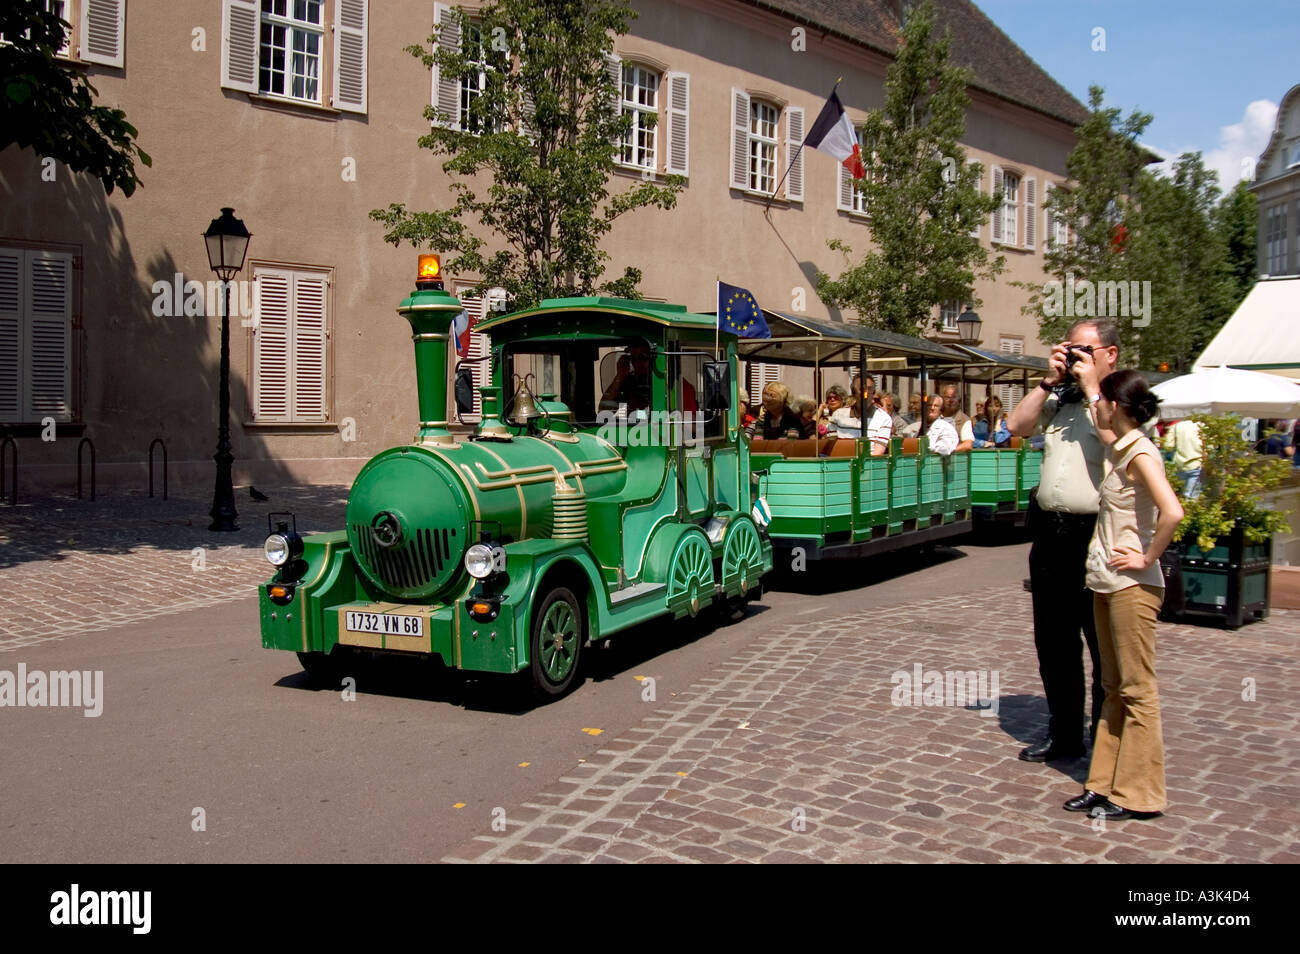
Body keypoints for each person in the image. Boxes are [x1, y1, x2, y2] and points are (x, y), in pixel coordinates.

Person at [1063, 370, 1183, 821]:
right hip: (1106, 582)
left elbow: (1173, 510)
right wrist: (1092, 384)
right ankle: (1104, 783)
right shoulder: (1121, 444)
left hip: (1134, 586)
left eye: (1105, 401)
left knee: (1137, 691)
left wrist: (1147, 554)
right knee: (1113, 687)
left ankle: (1139, 794)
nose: (1100, 409)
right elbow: (1100, 421)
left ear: (1119, 404)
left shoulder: (1141, 453)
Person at [1006, 318, 1121, 763]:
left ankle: (1106, 743)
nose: (1075, 357)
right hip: (1051, 535)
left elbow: (1116, 441)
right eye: (1071, 349)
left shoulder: (1119, 398)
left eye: (1085, 350)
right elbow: (1017, 425)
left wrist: (1093, 386)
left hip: (1095, 535)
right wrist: (1048, 381)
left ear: (1109, 354)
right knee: (1053, 643)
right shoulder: (1061, 399)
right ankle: (1065, 733)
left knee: (1101, 645)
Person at [1164, 418, 1203, 499]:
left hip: (1180, 464)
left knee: (1180, 494)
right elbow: (1210, 446)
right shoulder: (1201, 426)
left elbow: (1168, 446)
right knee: (1192, 496)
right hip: (1196, 463)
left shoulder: (1176, 426)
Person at [939, 384, 974, 452]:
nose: (950, 400)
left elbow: (967, 445)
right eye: (947, 397)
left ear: (959, 401)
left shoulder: (964, 420)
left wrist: (947, 451)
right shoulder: (936, 417)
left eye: (954, 397)